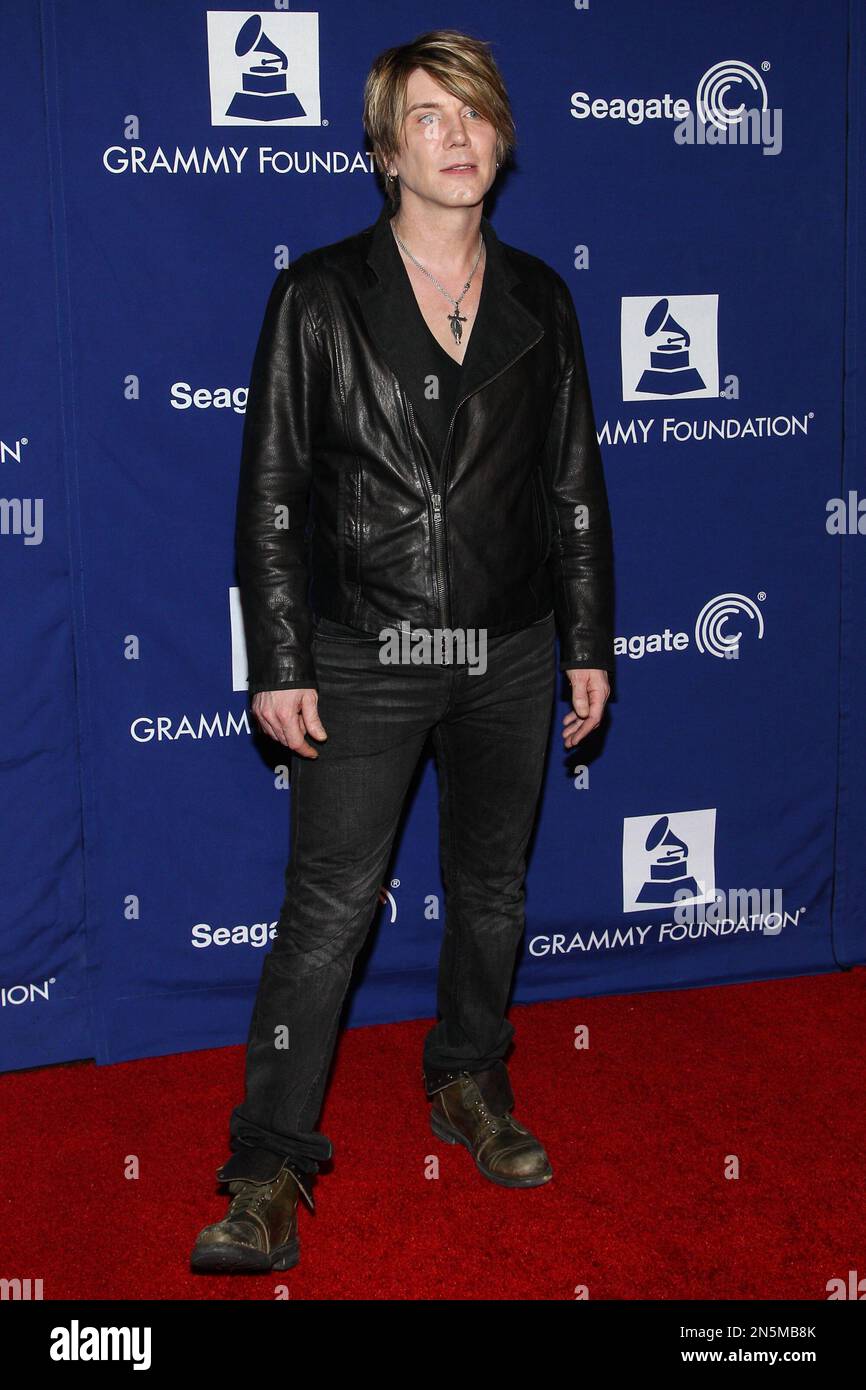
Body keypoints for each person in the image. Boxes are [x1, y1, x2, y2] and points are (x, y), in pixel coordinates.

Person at [191, 27, 614, 1275]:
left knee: (491, 894)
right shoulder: (318, 295)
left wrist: (586, 633)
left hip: (512, 646)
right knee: (324, 917)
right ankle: (265, 1167)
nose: (457, 136)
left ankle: (468, 1082)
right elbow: (269, 490)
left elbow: (572, 484)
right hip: (364, 649)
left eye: (475, 112)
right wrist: (279, 655)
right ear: (384, 152)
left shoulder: (540, 295)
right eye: (428, 118)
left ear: (502, 133)